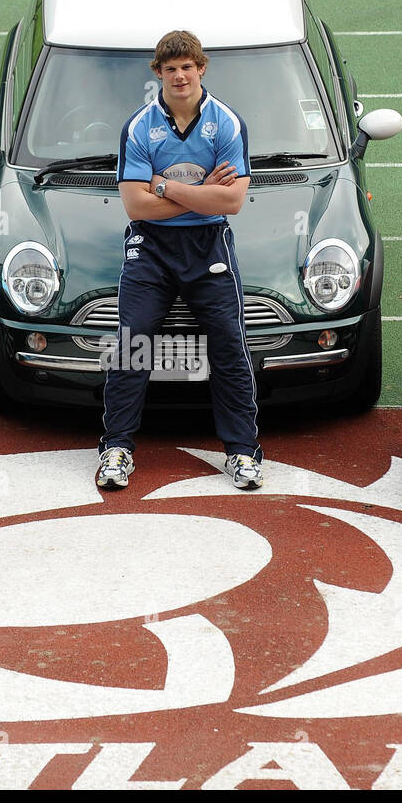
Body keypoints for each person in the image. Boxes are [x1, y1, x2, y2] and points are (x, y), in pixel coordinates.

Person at [95, 30, 263, 492]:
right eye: (170, 69)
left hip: (208, 244)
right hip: (150, 245)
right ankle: (117, 448)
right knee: (132, 343)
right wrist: (201, 193)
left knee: (229, 344)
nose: (180, 76)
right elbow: (135, 206)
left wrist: (166, 186)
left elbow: (231, 202)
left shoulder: (227, 122)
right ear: (158, 74)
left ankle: (243, 453)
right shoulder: (138, 126)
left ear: (201, 68)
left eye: (187, 67)